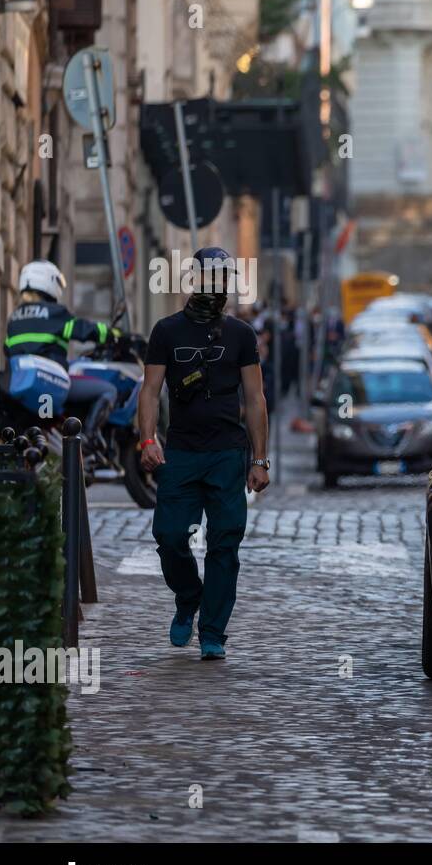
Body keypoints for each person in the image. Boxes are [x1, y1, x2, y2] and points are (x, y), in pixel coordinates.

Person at [137, 247, 270, 661]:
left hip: (228, 454)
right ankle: (188, 596)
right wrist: (147, 440)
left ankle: (213, 631)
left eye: (224, 277)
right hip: (180, 452)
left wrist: (260, 460)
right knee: (169, 536)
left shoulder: (241, 335)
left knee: (225, 543)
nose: (218, 284)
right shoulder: (166, 331)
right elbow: (150, 391)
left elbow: (255, 398)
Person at [3, 260, 120, 451]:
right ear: (48, 282)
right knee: (108, 390)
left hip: (21, 392)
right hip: (51, 387)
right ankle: (88, 440)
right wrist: (111, 334)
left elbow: (7, 350)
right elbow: (84, 329)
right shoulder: (55, 313)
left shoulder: (14, 318)